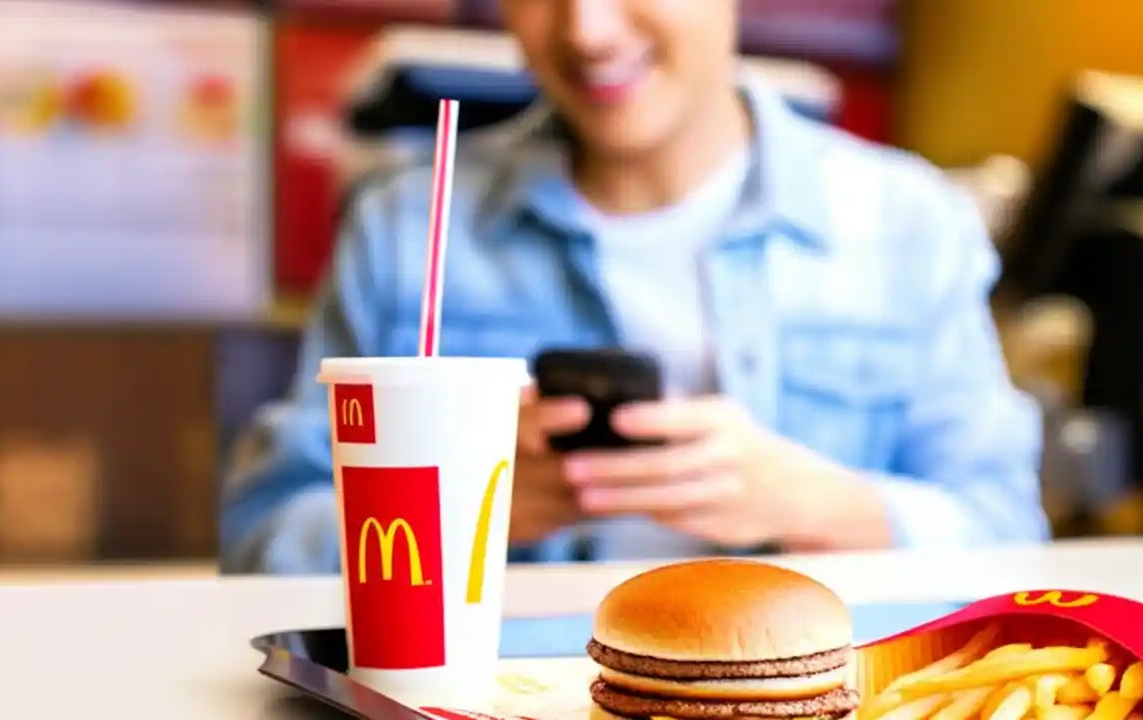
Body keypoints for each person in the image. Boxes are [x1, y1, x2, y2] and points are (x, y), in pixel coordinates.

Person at [219, 0, 1049, 573]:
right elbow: (261, 538)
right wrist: (460, 515)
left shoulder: (908, 223)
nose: (587, 30)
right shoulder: (406, 230)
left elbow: (1008, 533)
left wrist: (816, 506)